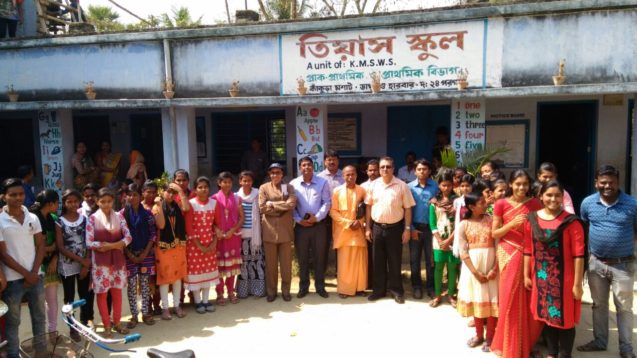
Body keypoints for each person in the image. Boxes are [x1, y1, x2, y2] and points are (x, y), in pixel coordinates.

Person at [577, 165, 637, 358]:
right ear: (596, 183)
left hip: (624, 264)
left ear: (618, 182)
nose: (607, 186)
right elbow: (585, 226)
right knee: (598, 304)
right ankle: (600, 342)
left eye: (611, 182)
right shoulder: (587, 203)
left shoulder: (632, 204)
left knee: (623, 307)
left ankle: (626, 349)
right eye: (603, 182)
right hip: (597, 264)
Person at [524, 180, 585, 358]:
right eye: (549, 195)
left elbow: (578, 256)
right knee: (548, 318)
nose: (553, 199)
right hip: (541, 278)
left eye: (557, 195)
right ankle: (552, 353)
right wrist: (526, 275)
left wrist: (577, 284)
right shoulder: (532, 219)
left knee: (565, 320)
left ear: (563, 197)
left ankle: (564, 355)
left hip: (564, 281)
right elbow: (528, 249)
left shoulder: (571, 222)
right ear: (541, 196)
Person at [490, 170, 543, 358]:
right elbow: (494, 233)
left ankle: (526, 343)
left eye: (525, 184)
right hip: (509, 252)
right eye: (518, 183)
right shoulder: (501, 204)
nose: (522, 187)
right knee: (510, 300)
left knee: (530, 299)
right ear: (511, 184)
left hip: (531, 254)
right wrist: (512, 224)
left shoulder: (536, 204)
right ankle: (508, 345)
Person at [0, 178, 42, 358]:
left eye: (21, 194)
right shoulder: (0, 220)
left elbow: (40, 246)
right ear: (4, 197)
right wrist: (27, 274)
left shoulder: (33, 217)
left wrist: (34, 273)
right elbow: (3, 254)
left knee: (40, 318)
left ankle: (42, 352)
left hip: (36, 276)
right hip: (12, 280)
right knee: (13, 322)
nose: (19, 197)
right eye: (13, 194)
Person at [365, 157, 416, 304]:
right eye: (382, 167)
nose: (385, 170)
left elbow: (407, 208)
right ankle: (379, 290)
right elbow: (368, 207)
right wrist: (368, 228)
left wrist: (407, 229)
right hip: (377, 228)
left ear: (393, 169)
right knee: (377, 261)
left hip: (395, 229)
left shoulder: (401, 186)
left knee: (395, 261)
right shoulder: (373, 186)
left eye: (388, 167)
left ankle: (396, 291)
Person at [456, 192, 499, 353]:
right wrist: (475, 273)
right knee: (477, 301)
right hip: (472, 269)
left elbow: (498, 244)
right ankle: (479, 334)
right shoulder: (464, 224)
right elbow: (463, 251)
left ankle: (491, 337)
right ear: (472, 207)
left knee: (492, 302)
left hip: (492, 266)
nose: (485, 204)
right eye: (481, 202)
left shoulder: (492, 220)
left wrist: (495, 268)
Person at [86, 188, 132, 338]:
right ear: (97, 202)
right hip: (100, 265)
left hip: (117, 262)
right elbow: (88, 242)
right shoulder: (92, 219)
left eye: (109, 201)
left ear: (113, 201)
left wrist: (110, 246)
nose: (106, 205)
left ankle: (117, 323)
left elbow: (128, 237)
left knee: (117, 292)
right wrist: (114, 245)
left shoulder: (119, 216)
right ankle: (106, 325)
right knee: (102, 294)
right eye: (103, 201)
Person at [55, 189, 93, 341]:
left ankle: (86, 322)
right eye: (69, 201)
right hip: (68, 265)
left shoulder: (85, 219)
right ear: (64, 203)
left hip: (84, 263)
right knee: (69, 297)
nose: (72, 204)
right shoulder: (59, 221)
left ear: (79, 202)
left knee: (85, 295)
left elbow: (89, 241)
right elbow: (61, 247)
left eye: (75, 201)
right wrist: (81, 261)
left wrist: (86, 263)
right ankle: (73, 327)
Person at [291, 156, 332, 298]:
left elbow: (326, 202)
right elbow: (292, 206)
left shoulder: (322, 182)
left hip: (319, 226)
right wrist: (298, 219)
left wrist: (317, 217)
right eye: (303, 165)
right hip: (301, 227)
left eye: (309, 165)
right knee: (302, 257)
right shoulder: (293, 184)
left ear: (313, 167)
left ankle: (320, 286)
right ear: (300, 167)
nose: (306, 167)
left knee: (319, 256)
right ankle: (303, 286)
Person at [259, 163, 297, 302]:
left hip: (285, 231)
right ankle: (271, 291)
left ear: (282, 174)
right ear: (269, 174)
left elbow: (291, 204)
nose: (275, 175)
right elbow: (262, 207)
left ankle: (286, 291)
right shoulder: (264, 188)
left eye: (278, 172)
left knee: (286, 265)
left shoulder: (289, 187)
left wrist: (273, 204)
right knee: (271, 265)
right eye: (273, 172)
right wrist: (282, 206)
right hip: (269, 230)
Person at [120, 183, 156, 328]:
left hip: (145, 253)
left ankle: (146, 313)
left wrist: (145, 253)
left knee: (145, 285)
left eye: (135, 194)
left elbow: (153, 235)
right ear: (126, 196)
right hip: (129, 254)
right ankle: (134, 315)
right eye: (129, 194)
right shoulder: (122, 215)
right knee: (132, 286)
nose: (132, 197)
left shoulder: (147, 214)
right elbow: (119, 236)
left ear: (140, 196)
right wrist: (129, 253)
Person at [329, 165, 367, 298]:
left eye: (352, 174)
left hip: (358, 231)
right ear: (343, 176)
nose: (350, 177)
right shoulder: (337, 191)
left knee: (359, 261)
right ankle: (345, 289)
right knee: (345, 263)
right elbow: (333, 211)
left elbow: (366, 210)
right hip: (343, 232)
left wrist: (360, 222)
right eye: (347, 175)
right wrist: (348, 223)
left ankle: (360, 288)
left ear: (356, 175)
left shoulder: (362, 190)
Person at [184, 176, 220, 314]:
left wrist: (213, 243)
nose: (203, 189)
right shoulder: (191, 204)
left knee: (207, 273)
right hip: (195, 245)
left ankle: (206, 301)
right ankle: (198, 302)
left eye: (205, 187)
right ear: (195, 189)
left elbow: (217, 224)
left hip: (210, 244)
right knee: (196, 274)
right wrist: (199, 245)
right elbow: (189, 227)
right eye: (200, 187)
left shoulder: (214, 203)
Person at [152, 183, 188, 320]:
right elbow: (161, 225)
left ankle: (177, 305)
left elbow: (186, 208)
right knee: (165, 278)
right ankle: (165, 308)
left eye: (173, 192)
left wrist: (180, 190)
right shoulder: (157, 207)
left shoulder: (177, 206)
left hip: (178, 245)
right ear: (162, 192)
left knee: (178, 277)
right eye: (168, 192)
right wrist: (160, 206)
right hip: (164, 247)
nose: (171, 195)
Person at [30, 190, 61, 334]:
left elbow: (59, 243)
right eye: (57, 202)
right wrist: (49, 247)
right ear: (50, 203)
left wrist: (54, 257)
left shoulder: (53, 217)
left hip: (50, 263)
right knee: (37, 304)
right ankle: (39, 337)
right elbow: (32, 245)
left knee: (52, 300)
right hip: (35, 265)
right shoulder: (31, 219)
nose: (58, 205)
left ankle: (52, 332)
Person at [211, 172, 244, 305]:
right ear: (219, 183)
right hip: (218, 238)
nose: (227, 184)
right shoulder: (213, 199)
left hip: (233, 236)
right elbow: (210, 219)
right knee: (219, 267)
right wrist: (216, 229)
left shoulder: (237, 199)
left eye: (229, 182)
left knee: (232, 266)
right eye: (224, 182)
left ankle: (231, 291)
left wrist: (232, 230)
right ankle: (219, 293)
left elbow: (242, 218)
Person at [407, 159, 438, 299]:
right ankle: (416, 286)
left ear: (429, 171)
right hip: (415, 228)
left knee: (430, 259)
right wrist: (411, 228)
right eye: (419, 169)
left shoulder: (435, 186)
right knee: (414, 259)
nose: (422, 171)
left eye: (425, 169)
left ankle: (431, 287)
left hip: (431, 229)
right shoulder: (409, 187)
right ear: (415, 171)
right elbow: (406, 209)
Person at [429, 171, 460, 307]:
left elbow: (460, 223)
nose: (446, 188)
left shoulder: (458, 203)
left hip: (454, 240)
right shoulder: (434, 203)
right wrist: (441, 241)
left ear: (452, 186)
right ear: (439, 186)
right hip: (438, 241)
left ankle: (451, 295)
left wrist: (449, 240)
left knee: (453, 268)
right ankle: (437, 295)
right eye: (443, 185)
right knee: (438, 268)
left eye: (448, 185)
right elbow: (432, 223)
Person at [236, 171, 266, 299]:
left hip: (256, 237)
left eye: (249, 180)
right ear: (240, 182)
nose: (246, 183)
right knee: (243, 264)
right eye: (244, 180)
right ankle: (243, 291)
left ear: (252, 182)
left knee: (257, 263)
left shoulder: (258, 194)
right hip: (241, 236)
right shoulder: (236, 196)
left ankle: (258, 291)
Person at [141, 180, 161, 316]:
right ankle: (146, 305)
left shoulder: (158, 206)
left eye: (154, 192)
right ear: (143, 192)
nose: (151, 195)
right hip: (143, 248)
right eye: (148, 192)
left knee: (158, 277)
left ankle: (157, 304)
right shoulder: (139, 207)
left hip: (158, 247)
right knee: (145, 279)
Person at [360, 159, 379, 289]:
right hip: (365, 225)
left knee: (378, 254)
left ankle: (380, 281)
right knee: (367, 254)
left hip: (379, 223)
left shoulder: (383, 184)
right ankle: (368, 282)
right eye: (370, 170)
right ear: (366, 172)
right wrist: (365, 224)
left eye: (375, 170)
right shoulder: (362, 187)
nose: (372, 172)